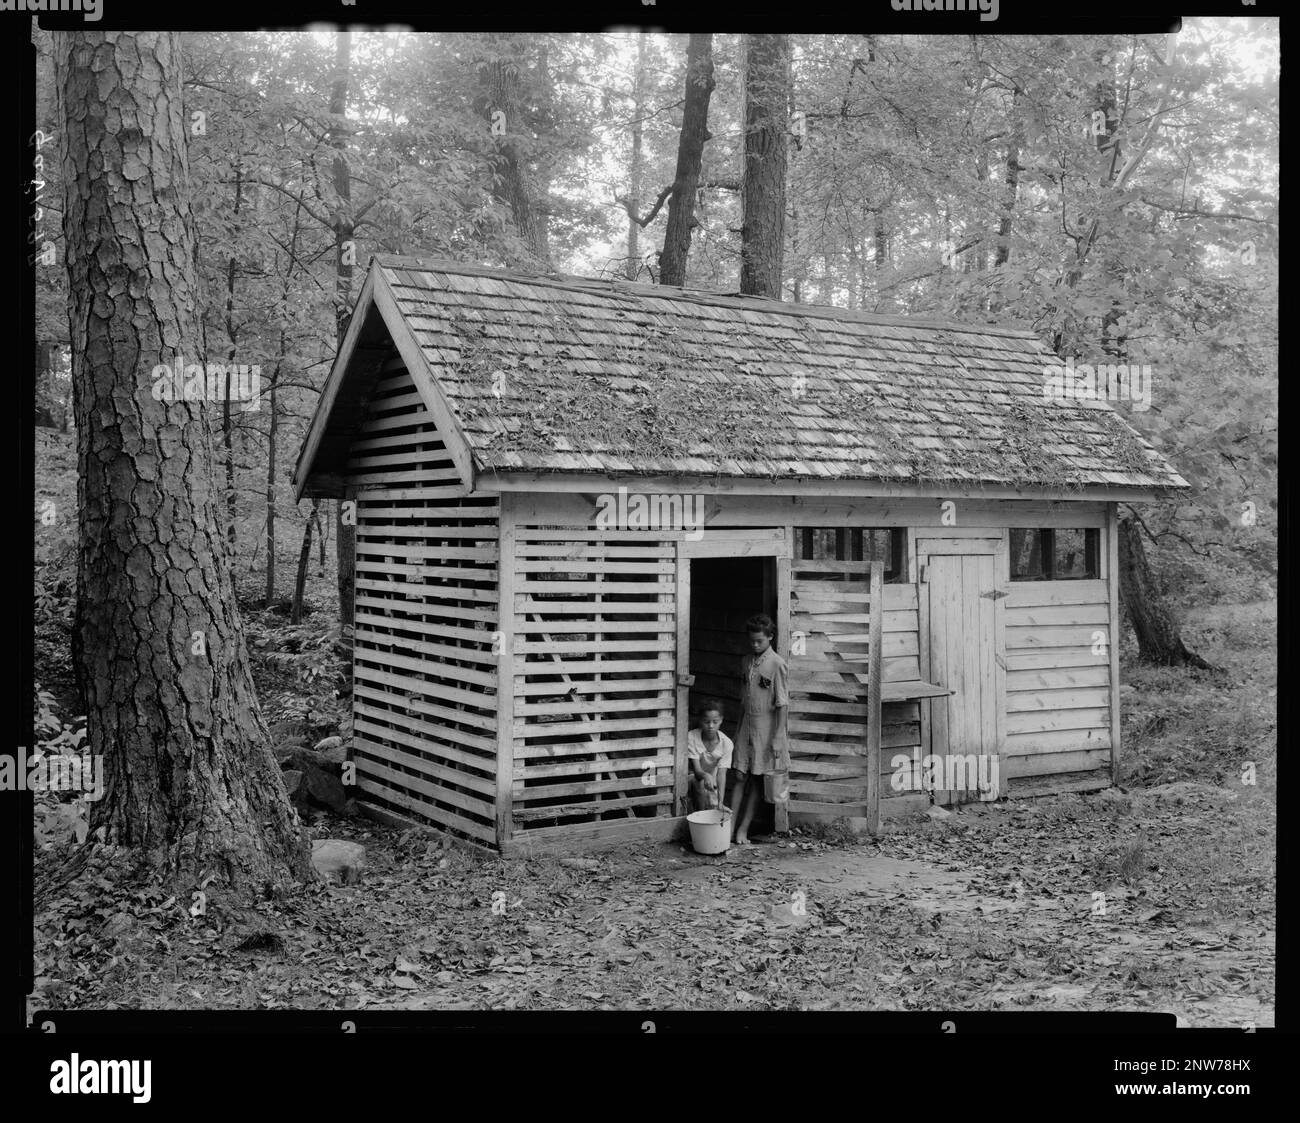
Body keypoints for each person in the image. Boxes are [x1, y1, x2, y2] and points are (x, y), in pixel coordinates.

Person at [727, 613, 791, 846]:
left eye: (759, 641)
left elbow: (782, 703)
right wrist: (736, 731)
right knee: (740, 775)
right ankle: (728, 827)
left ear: (770, 637)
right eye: (752, 641)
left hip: (766, 729)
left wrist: (777, 737)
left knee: (756, 779)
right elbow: (744, 700)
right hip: (746, 727)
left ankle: (743, 829)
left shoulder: (777, 664)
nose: (755, 645)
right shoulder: (746, 661)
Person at [687, 700, 733, 814]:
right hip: (690, 776)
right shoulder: (692, 737)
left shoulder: (726, 743)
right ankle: (700, 817)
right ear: (700, 720)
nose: (711, 726)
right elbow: (697, 771)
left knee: (715, 808)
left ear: (721, 720)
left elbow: (721, 774)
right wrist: (705, 775)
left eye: (715, 722)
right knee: (700, 784)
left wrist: (721, 802)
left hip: (711, 779)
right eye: (706, 722)